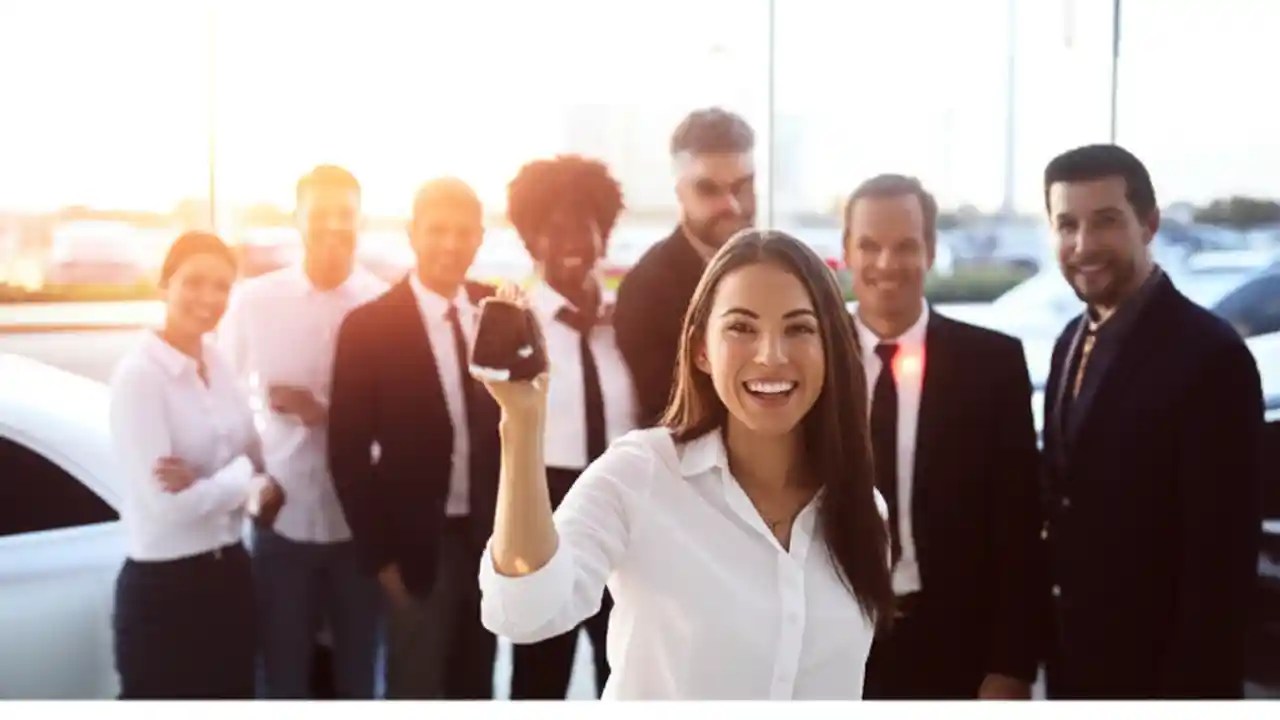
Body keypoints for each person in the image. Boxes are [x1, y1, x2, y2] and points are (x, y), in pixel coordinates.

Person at [477, 229, 895, 700]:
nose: (771, 356)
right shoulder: (640, 476)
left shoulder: (862, 512)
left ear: (830, 348)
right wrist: (522, 420)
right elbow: (524, 610)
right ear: (701, 350)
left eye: (799, 328)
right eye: (742, 327)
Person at [1040, 144, 1264, 698]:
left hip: (1167, 683)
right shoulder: (1069, 341)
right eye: (1067, 225)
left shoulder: (1212, 357)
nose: (1083, 245)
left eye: (1106, 222)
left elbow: (1221, 568)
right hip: (1074, 676)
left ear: (1149, 224)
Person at [842, 174, 1045, 699]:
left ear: (931, 251)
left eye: (906, 246)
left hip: (955, 647)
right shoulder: (811, 358)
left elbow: (1018, 528)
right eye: (869, 245)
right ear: (845, 252)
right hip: (835, 641)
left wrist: (1013, 665)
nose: (886, 264)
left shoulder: (992, 365)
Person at [217, 165, 387, 698]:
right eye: (321, 215)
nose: (334, 226)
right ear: (298, 220)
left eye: (346, 215)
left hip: (358, 530)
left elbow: (401, 423)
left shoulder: (385, 308)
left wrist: (326, 414)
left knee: (362, 683)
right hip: (281, 527)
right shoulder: (256, 301)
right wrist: (253, 480)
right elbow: (224, 401)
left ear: (362, 221)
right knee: (282, 682)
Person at [328, 177, 499, 699]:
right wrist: (381, 559)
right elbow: (346, 452)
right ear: (413, 234)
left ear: (480, 237)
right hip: (416, 548)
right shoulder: (369, 327)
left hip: (489, 543)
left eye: (463, 232)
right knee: (418, 686)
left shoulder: (500, 311)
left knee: (477, 685)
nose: (451, 244)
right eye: (438, 230)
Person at [109, 231, 284, 699]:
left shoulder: (219, 361)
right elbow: (167, 507)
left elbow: (260, 458)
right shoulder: (139, 377)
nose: (209, 298)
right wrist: (239, 479)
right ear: (165, 284)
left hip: (230, 576)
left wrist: (219, 481)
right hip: (164, 590)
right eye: (194, 282)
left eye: (222, 286)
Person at [503, 155, 637, 698]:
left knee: (626, 673)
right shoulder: (512, 320)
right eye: (553, 230)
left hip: (624, 515)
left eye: (585, 227)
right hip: (546, 513)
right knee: (539, 680)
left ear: (603, 236)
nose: (572, 243)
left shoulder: (629, 321)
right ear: (532, 241)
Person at [614, 107, 756, 427]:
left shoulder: (781, 272)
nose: (731, 205)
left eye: (742, 186)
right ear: (679, 191)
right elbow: (668, 418)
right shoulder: (646, 291)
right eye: (709, 189)